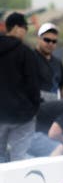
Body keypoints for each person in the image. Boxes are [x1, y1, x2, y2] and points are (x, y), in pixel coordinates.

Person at [0, 12, 40, 162]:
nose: (25, 32)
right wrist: (34, 108)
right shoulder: (25, 53)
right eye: (25, 27)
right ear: (16, 28)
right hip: (22, 115)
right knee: (19, 158)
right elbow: (33, 85)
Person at [34, 22, 63, 102]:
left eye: (54, 41)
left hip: (52, 108)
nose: (50, 43)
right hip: (34, 108)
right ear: (39, 38)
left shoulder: (58, 63)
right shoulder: (29, 58)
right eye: (47, 40)